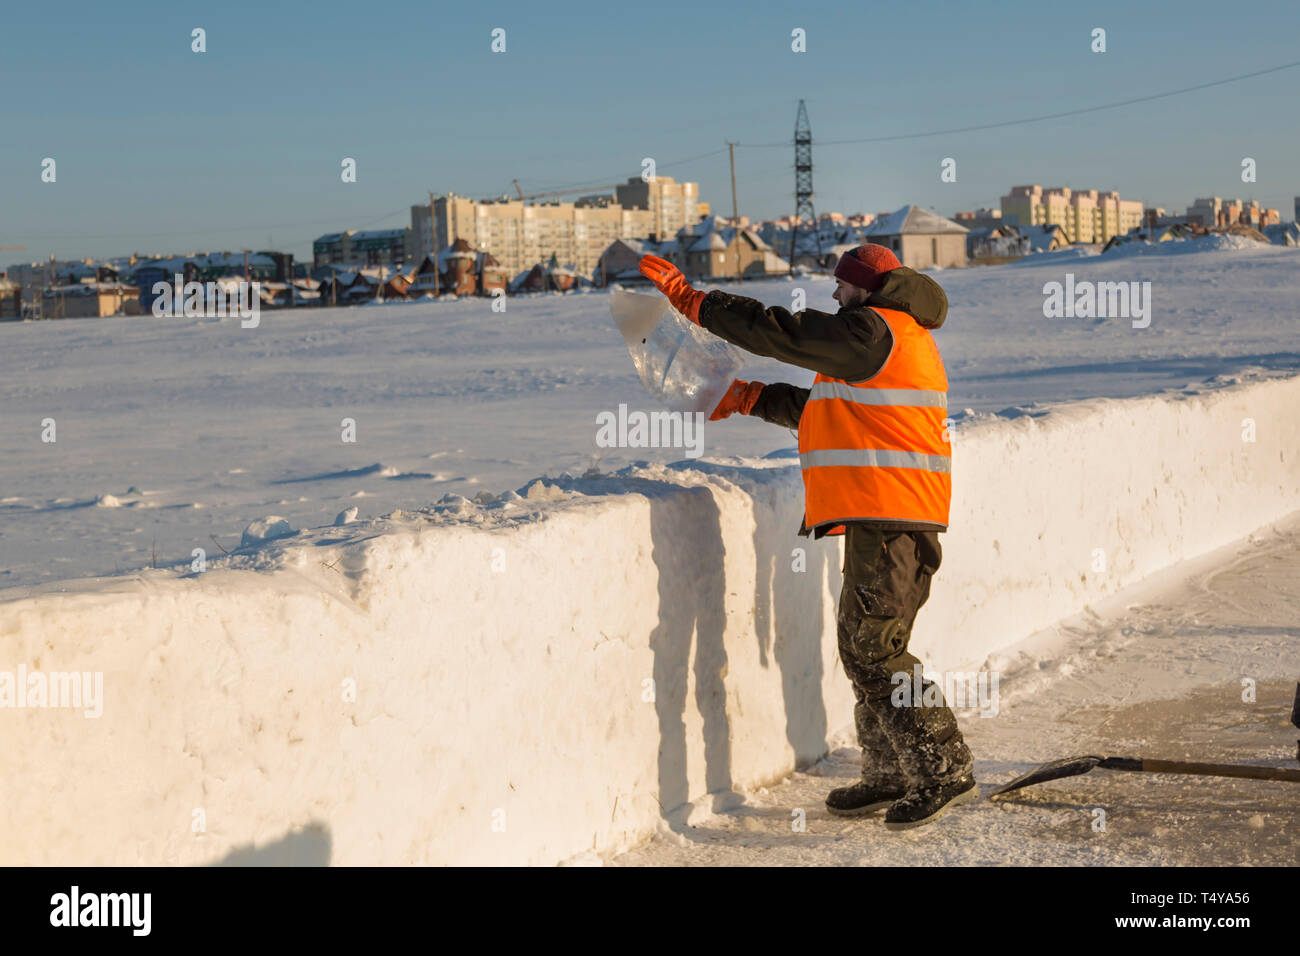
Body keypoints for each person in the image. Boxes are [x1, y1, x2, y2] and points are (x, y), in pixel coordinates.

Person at [637, 245, 976, 829]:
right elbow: (828, 409)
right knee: (865, 648)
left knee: (876, 650)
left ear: (865, 287)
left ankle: (943, 766)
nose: (835, 297)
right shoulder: (880, 341)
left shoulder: (875, 330)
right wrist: (749, 399)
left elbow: (784, 333)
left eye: (841, 287)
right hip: (886, 514)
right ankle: (892, 770)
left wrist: (697, 303)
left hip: (894, 515)